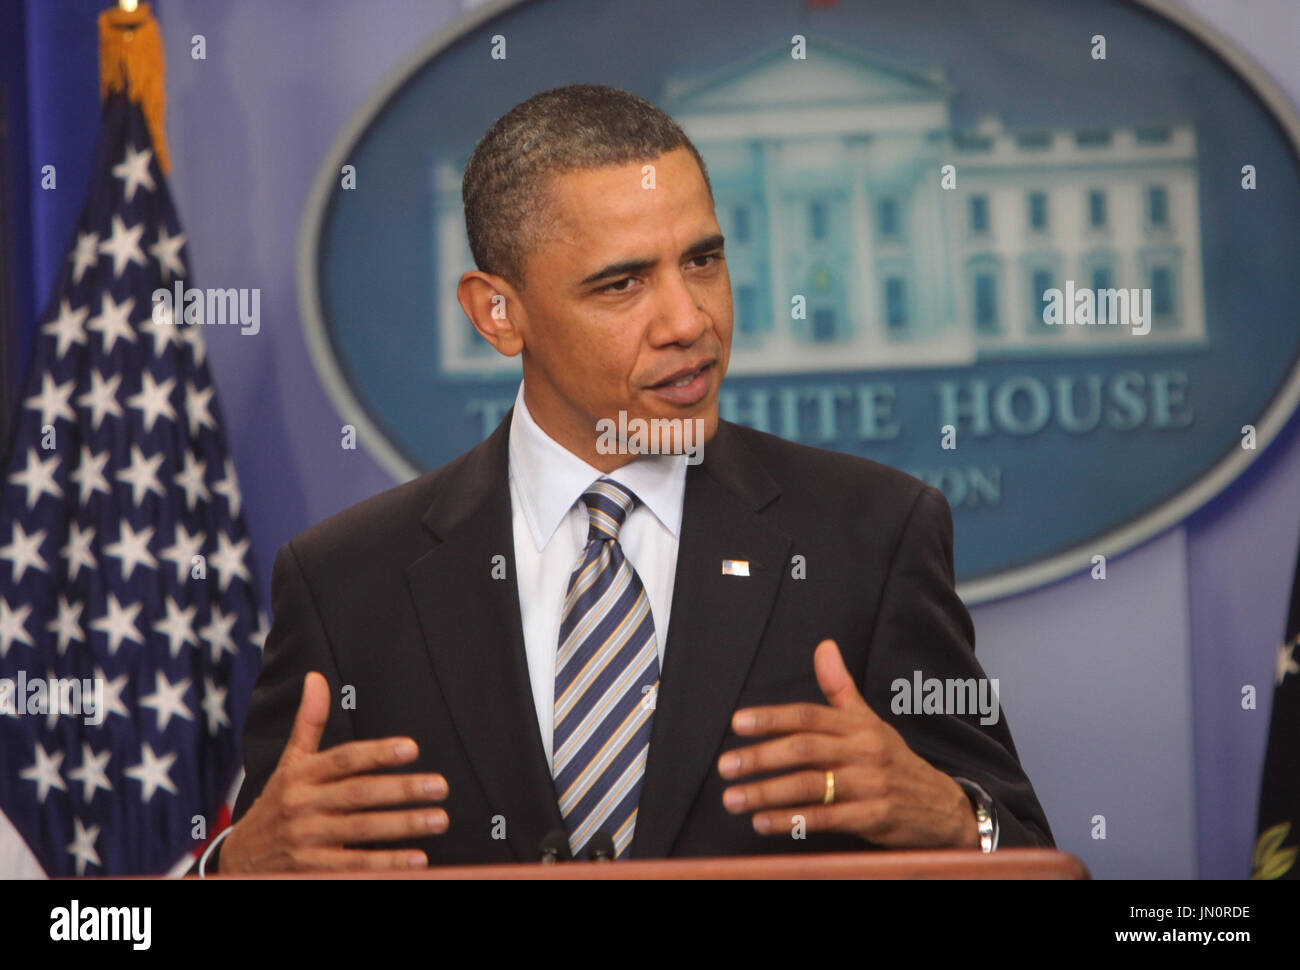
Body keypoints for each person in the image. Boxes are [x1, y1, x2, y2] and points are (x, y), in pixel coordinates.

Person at [196, 84, 1052, 874]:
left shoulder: (870, 535)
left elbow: (1025, 854)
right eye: (623, 283)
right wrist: (233, 871)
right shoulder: (346, 583)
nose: (689, 320)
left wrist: (951, 818)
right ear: (498, 313)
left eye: (703, 261)